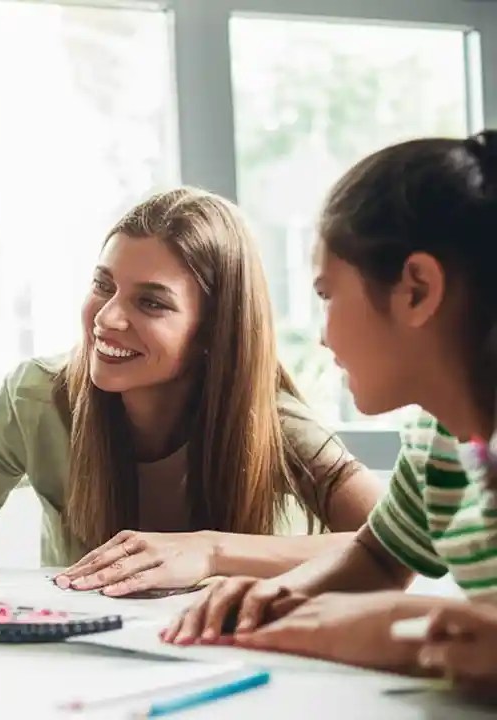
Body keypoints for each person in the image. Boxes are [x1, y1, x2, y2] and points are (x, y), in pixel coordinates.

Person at [0, 187, 384, 599]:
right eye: (103, 285)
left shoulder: (272, 421)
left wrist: (211, 551)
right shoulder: (35, 398)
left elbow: (393, 547)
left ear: (213, 331)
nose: (108, 317)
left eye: (151, 303)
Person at [163, 132, 497, 702]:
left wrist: (395, 625)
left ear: (416, 290)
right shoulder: (436, 439)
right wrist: (276, 597)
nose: (322, 336)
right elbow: (377, 556)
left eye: (326, 295)